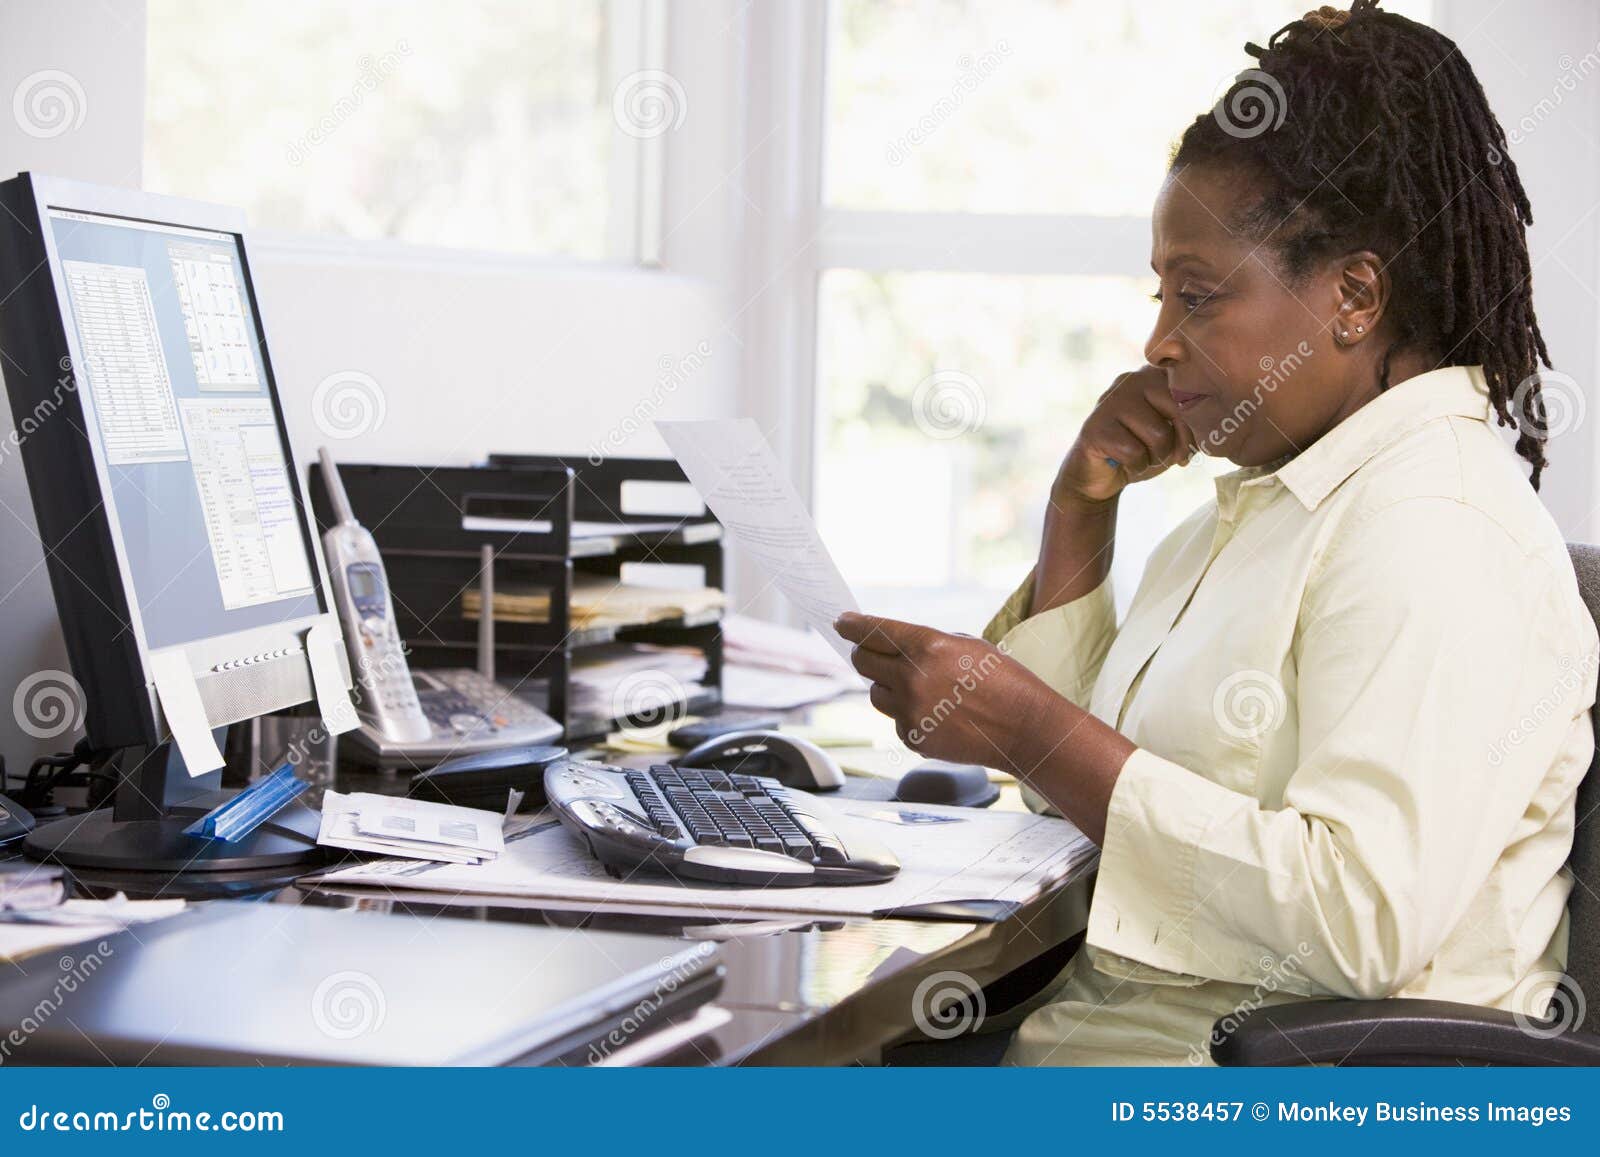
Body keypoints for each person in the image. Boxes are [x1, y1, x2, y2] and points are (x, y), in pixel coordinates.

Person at [836, 0, 1599, 1066]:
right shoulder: (1266, 505)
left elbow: (1360, 920)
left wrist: (1026, 728)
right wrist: (1077, 514)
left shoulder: (1439, 528)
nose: (1156, 341)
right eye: (1160, 294)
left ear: (1354, 295)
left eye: (1196, 296)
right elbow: (1085, 778)